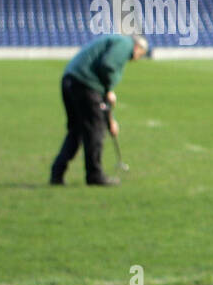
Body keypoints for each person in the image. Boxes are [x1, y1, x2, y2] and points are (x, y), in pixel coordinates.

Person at [50, 33, 149, 186]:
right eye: (140, 55)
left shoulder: (114, 41)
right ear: (138, 47)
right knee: (95, 130)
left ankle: (57, 173)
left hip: (70, 80)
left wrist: (110, 120)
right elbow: (107, 65)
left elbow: (102, 97)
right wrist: (108, 89)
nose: (137, 59)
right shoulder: (126, 44)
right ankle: (94, 175)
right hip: (85, 84)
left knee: (76, 131)